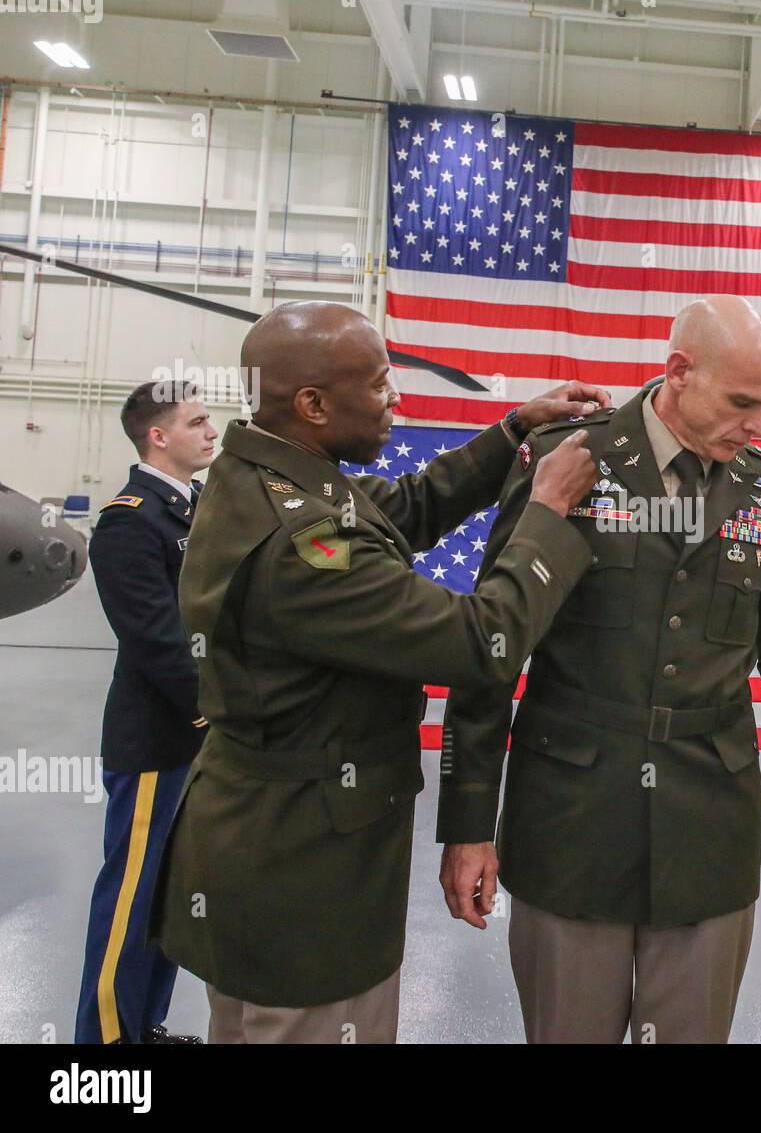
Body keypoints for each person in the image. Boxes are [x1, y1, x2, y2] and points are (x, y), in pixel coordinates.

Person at [152, 300, 606, 1043]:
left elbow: (406, 508)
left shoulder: (274, 471)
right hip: (300, 880)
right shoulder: (300, 544)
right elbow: (480, 639)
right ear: (313, 404)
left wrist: (513, 431)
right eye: (380, 381)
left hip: (268, 849)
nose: (395, 396)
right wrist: (547, 512)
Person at [438, 294, 761, 1044]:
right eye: (743, 402)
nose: (759, 426)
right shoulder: (566, 460)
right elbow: (492, 648)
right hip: (572, 818)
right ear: (679, 372)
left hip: (708, 824)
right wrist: (467, 825)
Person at [75, 380, 218, 1045]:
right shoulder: (132, 521)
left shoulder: (188, 513)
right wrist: (214, 714)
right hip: (155, 742)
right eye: (196, 421)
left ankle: (144, 1026)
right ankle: (104, 1045)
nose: (210, 430)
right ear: (158, 436)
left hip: (186, 745)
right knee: (130, 902)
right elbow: (158, 642)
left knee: (164, 901)